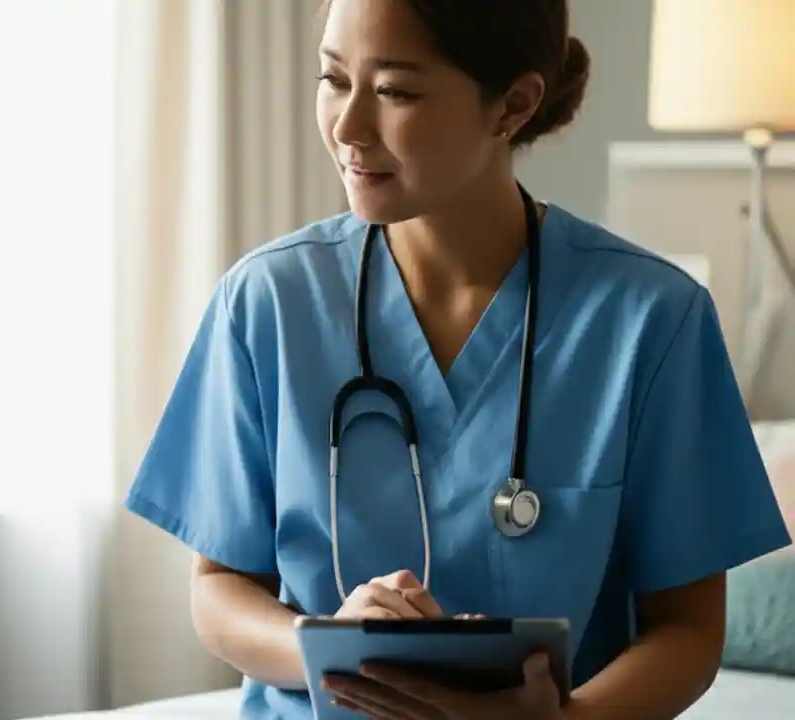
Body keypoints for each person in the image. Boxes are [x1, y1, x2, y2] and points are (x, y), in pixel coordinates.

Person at [123, 0, 792, 718]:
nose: (348, 127)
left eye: (394, 91)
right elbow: (217, 588)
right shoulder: (268, 303)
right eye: (333, 79)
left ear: (513, 104)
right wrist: (331, 644)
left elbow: (687, 630)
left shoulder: (651, 321)